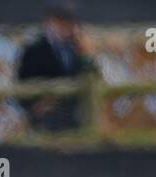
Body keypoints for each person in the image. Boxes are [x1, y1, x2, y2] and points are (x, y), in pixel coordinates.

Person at [16, 2, 97, 132]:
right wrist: (36, 107)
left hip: (74, 120)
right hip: (44, 122)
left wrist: (86, 56)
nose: (67, 27)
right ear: (50, 22)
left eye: (69, 22)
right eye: (61, 21)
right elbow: (21, 84)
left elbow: (94, 77)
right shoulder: (34, 50)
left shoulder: (76, 50)